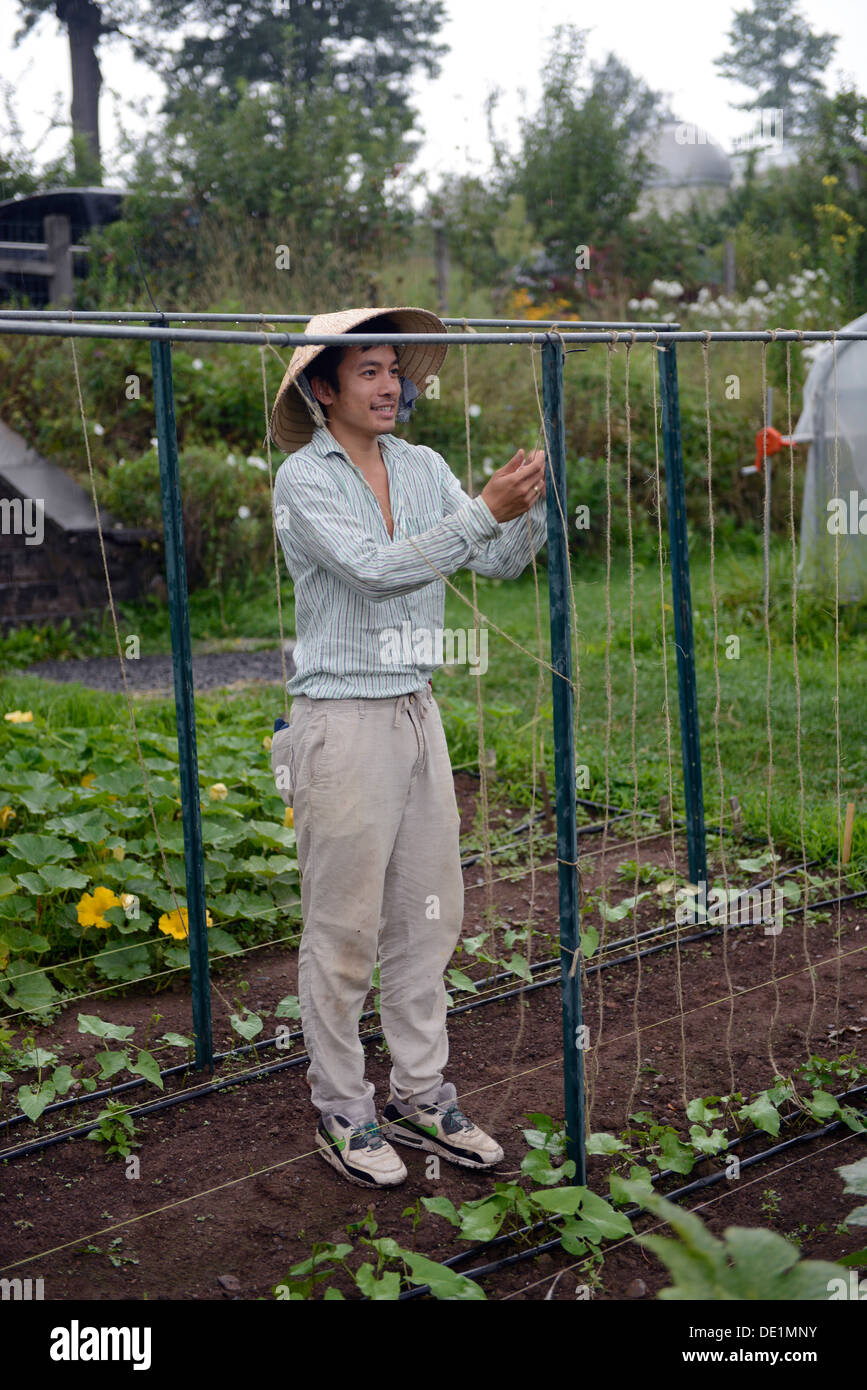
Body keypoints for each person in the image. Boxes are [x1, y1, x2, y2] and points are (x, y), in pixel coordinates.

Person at [268, 305, 548, 1189]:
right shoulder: (301, 481)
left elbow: (495, 562)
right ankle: (343, 1108)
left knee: (429, 920)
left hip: (415, 713)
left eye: (396, 370)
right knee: (343, 930)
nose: (392, 386)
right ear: (323, 390)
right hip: (340, 723)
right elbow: (375, 570)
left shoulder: (423, 466)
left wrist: (529, 502)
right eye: (368, 373)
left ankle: (423, 1095)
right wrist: (482, 515)